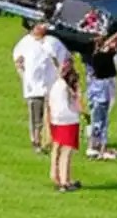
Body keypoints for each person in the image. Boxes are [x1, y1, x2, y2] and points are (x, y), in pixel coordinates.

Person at [12, 23, 70, 154]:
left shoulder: (53, 42)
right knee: (36, 116)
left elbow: (65, 59)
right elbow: (18, 63)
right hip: (34, 86)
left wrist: (62, 71)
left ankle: (52, 141)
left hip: (52, 85)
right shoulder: (25, 43)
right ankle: (36, 141)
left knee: (54, 114)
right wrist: (25, 78)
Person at [85, 30, 117, 160]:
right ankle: (95, 148)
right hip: (101, 88)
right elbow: (104, 48)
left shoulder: (105, 53)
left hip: (102, 87)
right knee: (99, 119)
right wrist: (115, 36)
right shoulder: (96, 56)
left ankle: (101, 147)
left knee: (101, 119)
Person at [48, 61, 84, 192]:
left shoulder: (56, 85)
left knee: (57, 148)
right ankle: (64, 181)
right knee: (67, 152)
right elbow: (78, 107)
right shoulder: (66, 88)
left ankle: (57, 176)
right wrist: (77, 95)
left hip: (56, 121)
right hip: (68, 121)